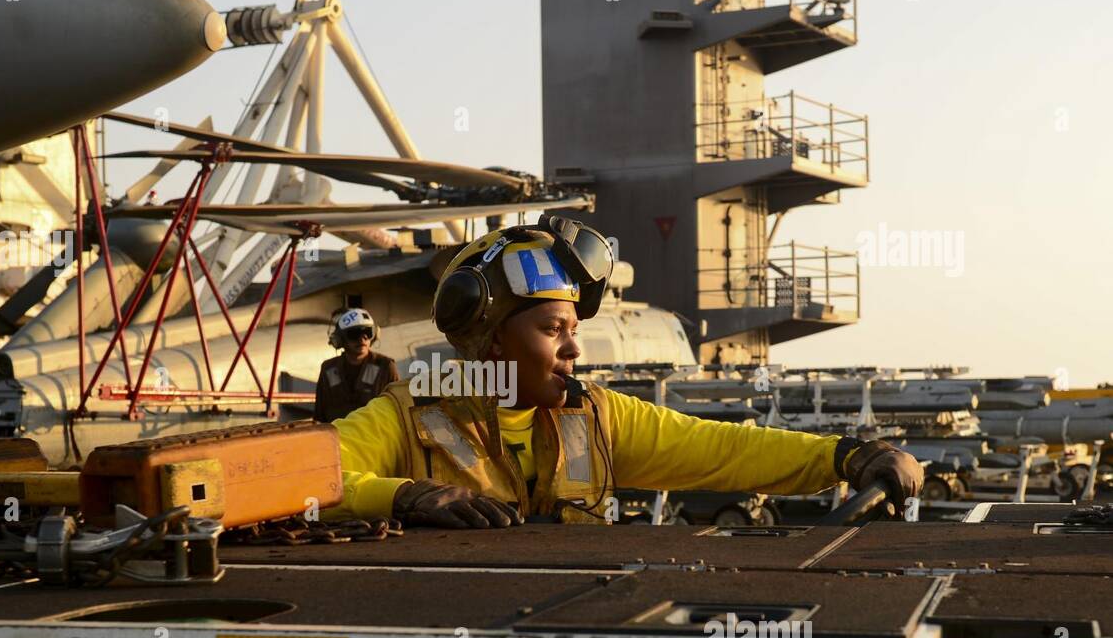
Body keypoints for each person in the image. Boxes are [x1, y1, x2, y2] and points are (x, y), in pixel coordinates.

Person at [325, 215, 923, 527]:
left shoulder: (595, 417)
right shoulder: (407, 416)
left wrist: (845, 456)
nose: (573, 350)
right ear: (491, 340)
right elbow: (304, 480)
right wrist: (400, 497)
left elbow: (723, 450)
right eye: (552, 329)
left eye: (574, 330)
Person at [313, 307, 400, 423]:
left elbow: (398, 408)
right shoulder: (328, 369)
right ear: (340, 339)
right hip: (338, 437)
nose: (362, 338)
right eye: (354, 333)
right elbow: (319, 415)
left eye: (367, 332)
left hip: (374, 437)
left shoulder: (385, 366)